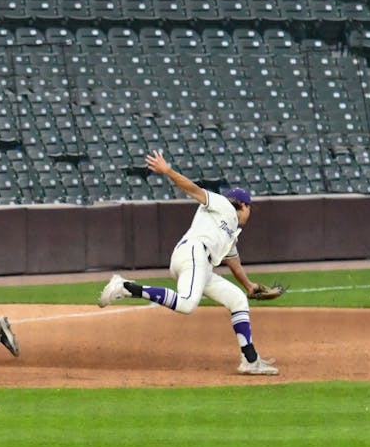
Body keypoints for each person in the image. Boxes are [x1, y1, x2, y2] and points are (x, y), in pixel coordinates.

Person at [96, 150, 278, 375]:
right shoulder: (223, 204)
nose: (250, 213)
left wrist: (249, 286)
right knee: (186, 304)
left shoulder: (230, 232)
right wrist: (168, 171)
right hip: (193, 252)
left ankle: (250, 360)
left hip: (201, 265)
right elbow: (194, 190)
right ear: (243, 204)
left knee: (238, 299)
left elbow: (233, 261)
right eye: (250, 208)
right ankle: (125, 287)